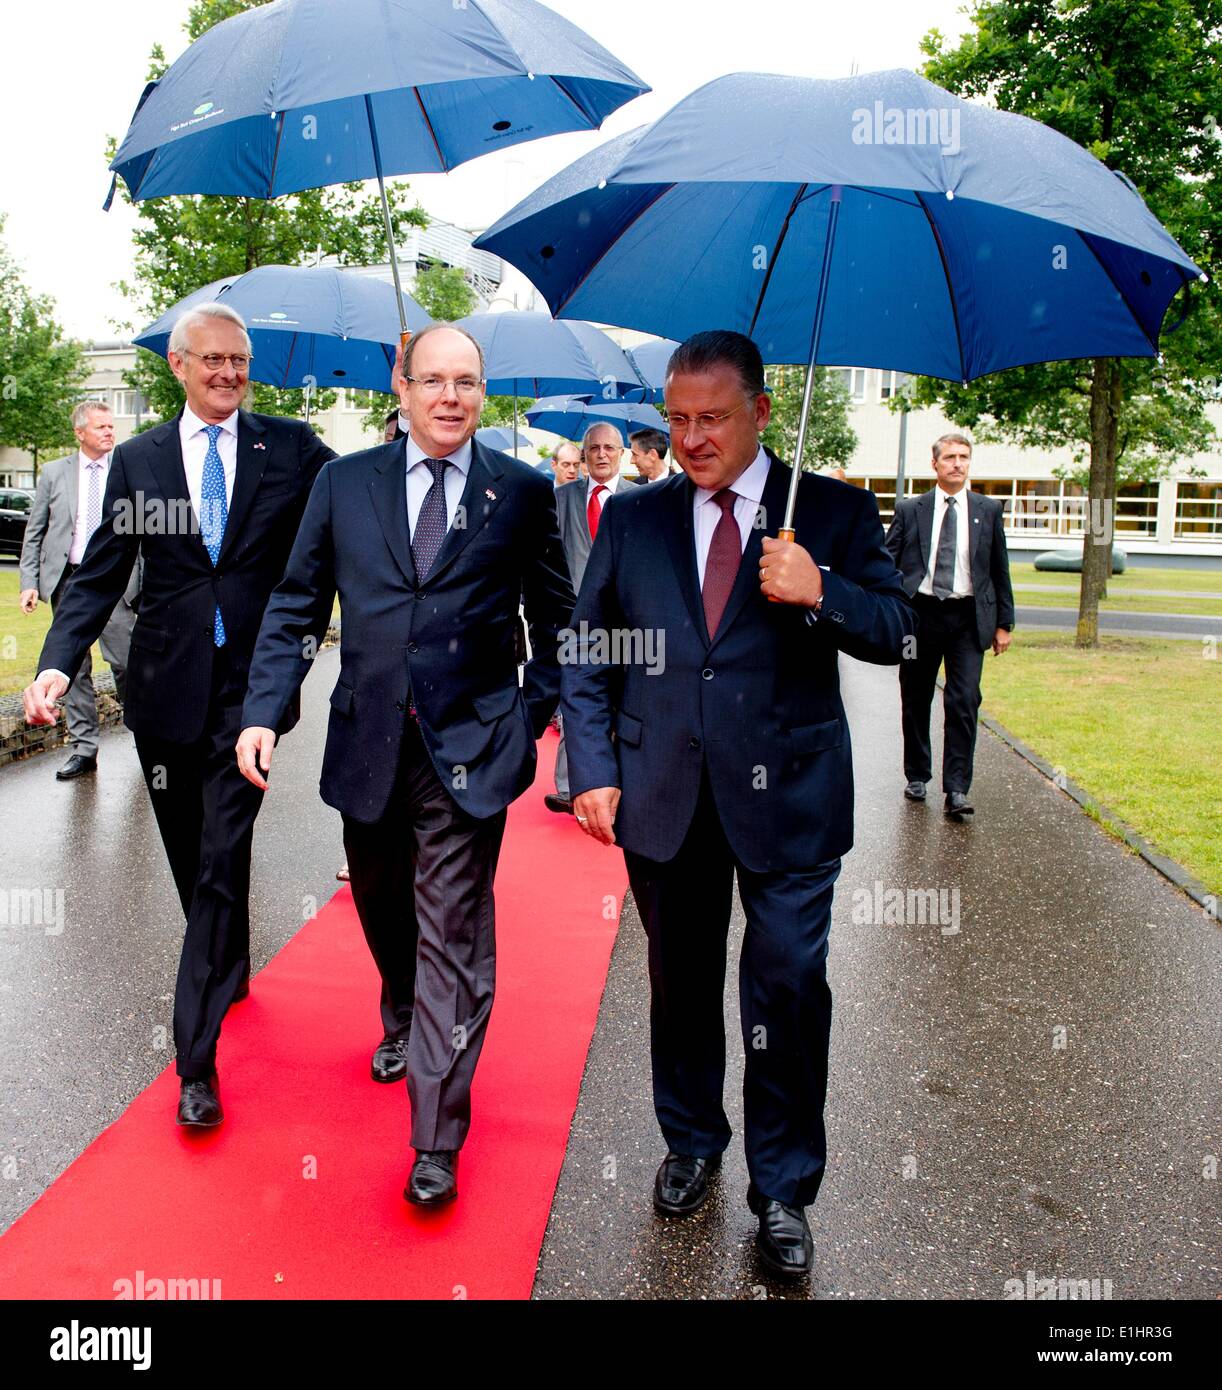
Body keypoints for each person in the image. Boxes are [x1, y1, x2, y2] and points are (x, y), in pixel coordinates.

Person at [562, 330, 914, 1279]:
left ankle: (786, 1188)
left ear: (760, 410)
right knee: (678, 985)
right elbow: (589, 649)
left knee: (789, 988)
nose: (692, 438)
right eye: (676, 420)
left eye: (712, 418)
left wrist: (822, 588)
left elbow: (898, 631)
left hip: (791, 801)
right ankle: (691, 1139)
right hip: (664, 797)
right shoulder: (634, 520)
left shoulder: (832, 512)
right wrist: (589, 766)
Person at [236, 324, 574, 1208]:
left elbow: (560, 620)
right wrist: (265, 709)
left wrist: (526, 714)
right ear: (403, 383)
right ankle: (398, 1002)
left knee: (454, 937)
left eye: (467, 381)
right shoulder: (344, 484)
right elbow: (296, 601)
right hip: (369, 743)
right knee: (388, 908)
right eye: (434, 380)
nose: (451, 397)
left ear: (482, 389)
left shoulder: (523, 491)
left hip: (473, 748)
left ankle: (435, 1138)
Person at [23, 303, 336, 1128]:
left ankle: (195, 1063)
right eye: (214, 361)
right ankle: (223, 962)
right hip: (163, 694)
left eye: (241, 360)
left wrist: (412, 399)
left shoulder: (294, 448)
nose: (230, 374)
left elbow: (364, 495)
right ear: (178, 365)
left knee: (217, 856)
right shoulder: (139, 460)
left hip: (255, 696)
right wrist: (58, 665)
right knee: (192, 853)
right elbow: (97, 575)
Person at [884, 433, 1015, 819]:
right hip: (920, 615)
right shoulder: (912, 510)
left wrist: (1004, 623)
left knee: (964, 700)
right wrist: (888, 607)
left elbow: (999, 569)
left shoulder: (988, 510)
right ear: (935, 464)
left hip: (967, 618)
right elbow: (887, 561)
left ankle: (957, 787)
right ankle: (917, 774)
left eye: (963, 457)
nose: (957, 463)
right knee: (916, 697)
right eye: (950, 458)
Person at [19, 401, 138, 781]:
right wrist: (29, 583)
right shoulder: (54, 473)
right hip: (67, 581)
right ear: (79, 432)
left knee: (125, 662)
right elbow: (35, 531)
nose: (109, 432)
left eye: (111, 426)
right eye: (100, 426)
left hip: (115, 582)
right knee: (73, 669)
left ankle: (146, 737)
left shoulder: (125, 468)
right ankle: (84, 748)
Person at [546, 422, 625, 816]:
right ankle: (568, 786)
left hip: (626, 624)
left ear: (622, 453)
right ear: (583, 454)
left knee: (621, 702)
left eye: (609, 447)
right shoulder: (561, 498)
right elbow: (548, 559)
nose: (601, 454)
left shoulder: (642, 500)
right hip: (573, 621)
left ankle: (620, 780)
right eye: (593, 448)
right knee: (572, 698)